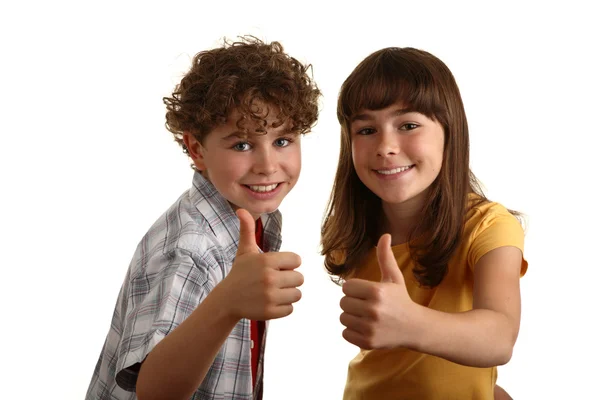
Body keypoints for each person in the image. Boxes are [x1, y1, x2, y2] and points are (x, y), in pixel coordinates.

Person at [86, 36, 320, 400]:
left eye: (283, 140)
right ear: (196, 148)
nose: (268, 166)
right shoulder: (190, 248)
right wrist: (226, 303)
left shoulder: (250, 218)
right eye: (242, 145)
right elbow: (153, 390)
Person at [321, 46, 527, 400]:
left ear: (450, 131)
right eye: (366, 130)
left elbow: (500, 336)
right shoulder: (353, 229)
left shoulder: (490, 226)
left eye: (409, 125)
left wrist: (409, 323)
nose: (385, 146)